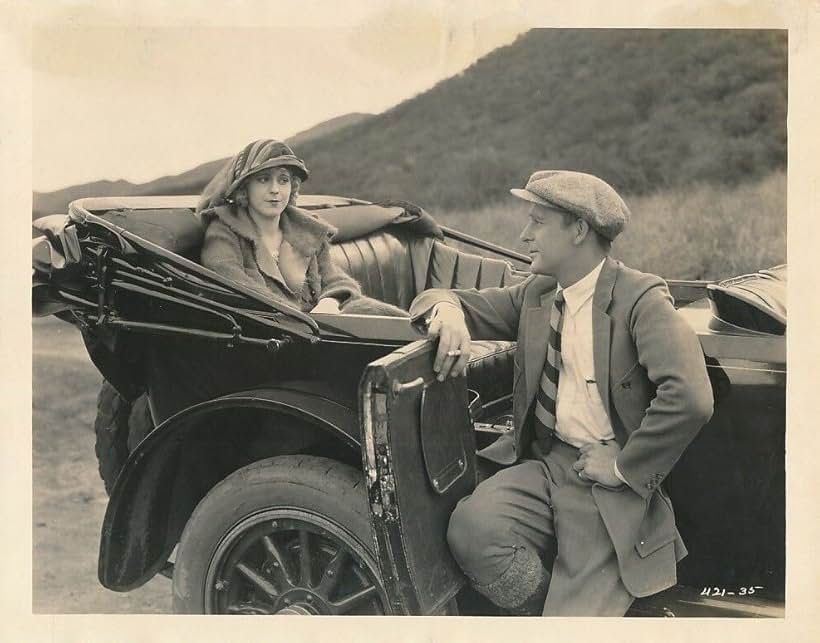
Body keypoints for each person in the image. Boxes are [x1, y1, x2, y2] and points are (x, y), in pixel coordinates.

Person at [409, 170, 714, 616]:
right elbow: (440, 296)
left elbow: (690, 397)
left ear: (578, 230)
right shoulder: (539, 292)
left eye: (538, 222)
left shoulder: (640, 299)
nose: (523, 234)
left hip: (604, 484)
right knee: (472, 530)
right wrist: (447, 312)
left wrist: (623, 464)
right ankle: (545, 611)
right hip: (546, 464)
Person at [196, 138, 408, 316]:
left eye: (283, 180)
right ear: (244, 189)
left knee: (399, 325)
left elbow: (334, 279)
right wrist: (304, 319)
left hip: (322, 327)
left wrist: (330, 302)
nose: (275, 190)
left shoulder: (307, 229)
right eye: (263, 180)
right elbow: (238, 290)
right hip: (275, 334)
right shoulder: (223, 232)